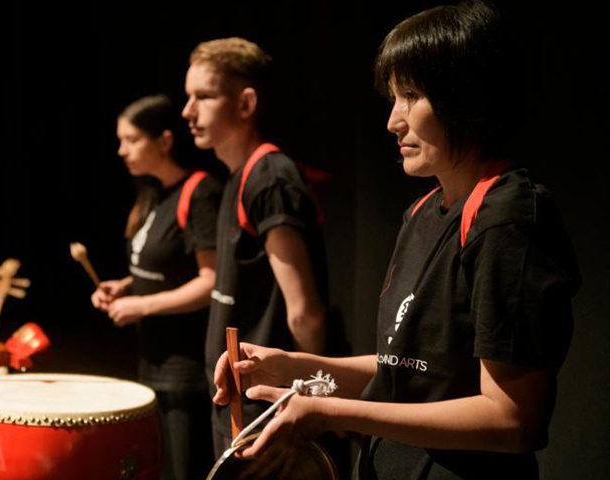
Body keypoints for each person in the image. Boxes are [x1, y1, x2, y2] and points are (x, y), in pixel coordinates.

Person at [211, 2, 581, 479]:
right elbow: (407, 370)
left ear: (465, 97)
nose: (393, 121)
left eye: (410, 95)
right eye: (393, 98)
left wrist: (330, 412)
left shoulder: (508, 219)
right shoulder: (423, 211)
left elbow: (511, 420)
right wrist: (292, 366)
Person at [181, 37, 330, 458]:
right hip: (241, 406)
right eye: (188, 96)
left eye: (203, 97)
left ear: (245, 104)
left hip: (266, 412)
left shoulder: (269, 176)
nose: (187, 111)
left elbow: (305, 312)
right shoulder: (239, 175)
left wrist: (313, 404)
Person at [90, 94, 222, 480]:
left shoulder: (201, 192)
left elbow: (210, 281)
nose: (121, 150)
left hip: (186, 369)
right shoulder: (153, 193)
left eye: (131, 140)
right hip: (152, 359)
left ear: (164, 141)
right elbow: (163, 269)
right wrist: (126, 287)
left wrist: (141, 306)